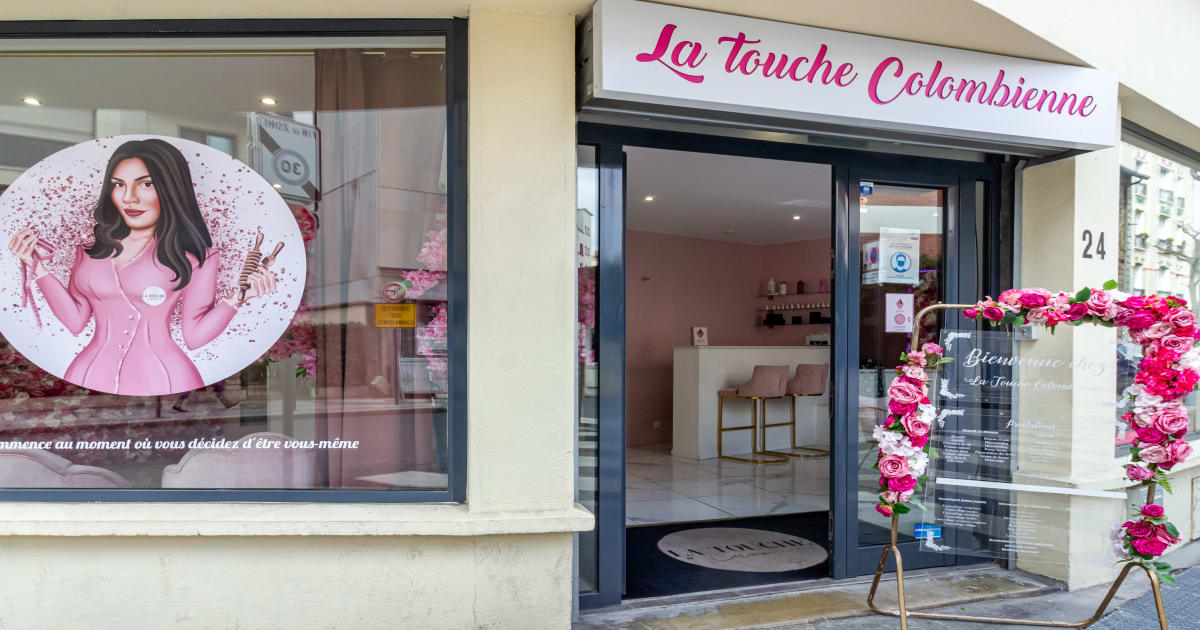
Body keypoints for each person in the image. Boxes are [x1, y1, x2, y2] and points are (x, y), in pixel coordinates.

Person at [9, 139, 277, 396]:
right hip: (88, 375)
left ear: (171, 188)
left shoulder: (198, 257)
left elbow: (194, 337)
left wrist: (240, 298)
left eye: (145, 184)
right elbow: (76, 322)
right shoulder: (90, 251)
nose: (129, 198)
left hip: (166, 376)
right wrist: (39, 269)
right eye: (118, 185)